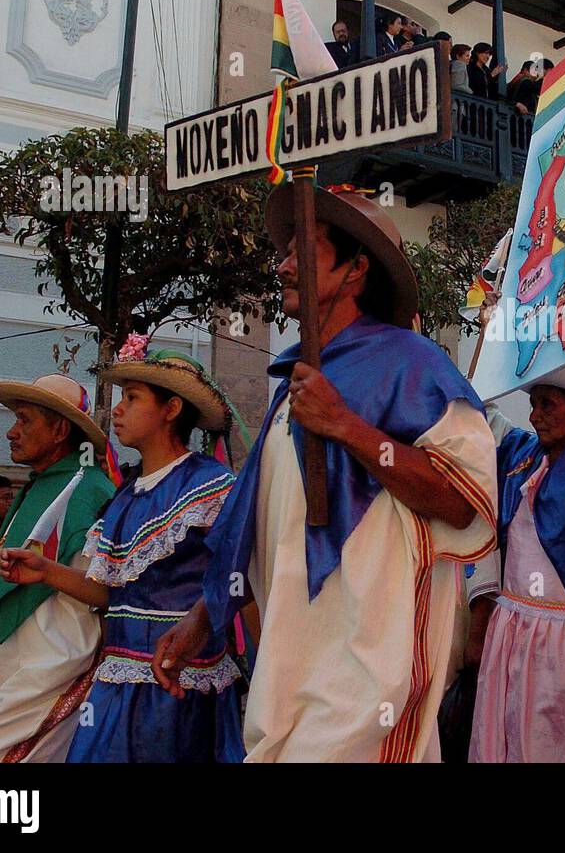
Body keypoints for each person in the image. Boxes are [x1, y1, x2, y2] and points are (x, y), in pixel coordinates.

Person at [152, 183, 497, 762]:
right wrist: (200, 619)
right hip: (289, 665)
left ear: (356, 268)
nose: (282, 265)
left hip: (368, 663)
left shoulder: (411, 362)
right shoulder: (297, 385)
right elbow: (259, 527)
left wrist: (347, 426)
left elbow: (464, 499)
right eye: (284, 251)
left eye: (301, 251)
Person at [0, 348, 244, 762]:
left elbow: (244, 575)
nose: (116, 410)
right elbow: (112, 595)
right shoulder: (126, 496)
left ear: (171, 408)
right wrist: (46, 571)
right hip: (116, 681)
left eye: (131, 397)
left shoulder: (211, 486)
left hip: (177, 683)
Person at [0, 374, 116, 763]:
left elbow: (100, 588)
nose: (11, 432)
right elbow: (25, 564)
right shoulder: (44, 483)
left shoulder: (88, 489)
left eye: (24, 420)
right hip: (4, 654)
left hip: (49, 661)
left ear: (60, 430)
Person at [469, 358, 565, 763]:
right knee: (509, 740)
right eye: (534, 404)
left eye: (548, 404)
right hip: (514, 626)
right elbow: (477, 411)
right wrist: (488, 337)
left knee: (558, 742)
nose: (536, 415)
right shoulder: (522, 454)